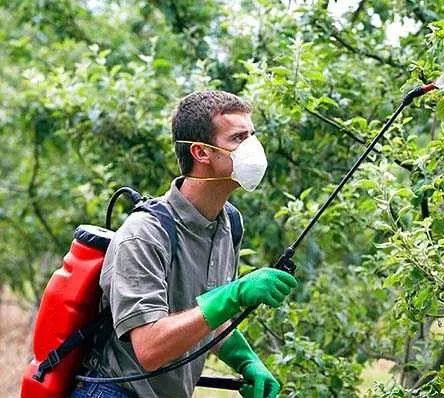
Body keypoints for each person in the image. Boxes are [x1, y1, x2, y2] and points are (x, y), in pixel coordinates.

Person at [72, 90, 297, 398]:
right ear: (201, 153)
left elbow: (203, 315)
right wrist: (236, 293)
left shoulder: (229, 222)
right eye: (238, 138)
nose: (253, 149)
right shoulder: (144, 233)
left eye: (252, 135)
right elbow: (149, 349)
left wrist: (247, 361)